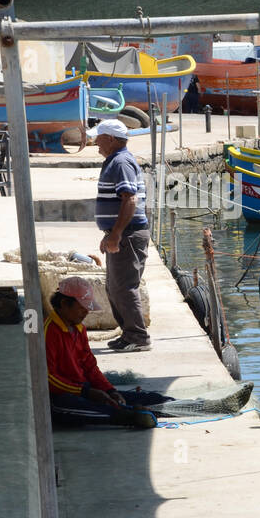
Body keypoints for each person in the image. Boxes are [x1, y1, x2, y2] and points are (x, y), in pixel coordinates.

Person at [45, 276, 169, 429]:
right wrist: (86, 392)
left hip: (84, 389)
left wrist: (110, 391)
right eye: (82, 308)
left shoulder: (79, 329)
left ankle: (168, 404)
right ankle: (127, 417)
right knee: (69, 407)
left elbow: (90, 366)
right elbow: (48, 378)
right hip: (61, 396)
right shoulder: (48, 331)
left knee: (147, 398)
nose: (86, 313)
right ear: (64, 304)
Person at [93, 118, 151, 352]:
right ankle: (129, 334)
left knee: (124, 287)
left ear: (111, 139)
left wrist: (116, 234)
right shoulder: (115, 161)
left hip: (128, 235)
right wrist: (109, 233)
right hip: (120, 233)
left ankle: (138, 337)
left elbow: (130, 199)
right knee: (114, 287)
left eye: (99, 137)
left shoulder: (121, 162)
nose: (95, 142)